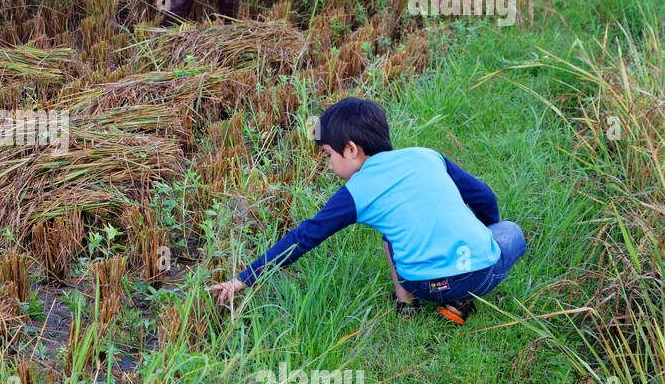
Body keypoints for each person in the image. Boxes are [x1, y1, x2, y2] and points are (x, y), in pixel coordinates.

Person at [208, 98, 527, 325]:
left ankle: (407, 306)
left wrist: (243, 279)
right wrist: (487, 236)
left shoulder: (356, 193)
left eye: (328, 154)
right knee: (510, 232)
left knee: (391, 232)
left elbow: (304, 236)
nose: (328, 163)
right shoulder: (427, 156)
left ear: (351, 149)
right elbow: (484, 196)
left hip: (419, 282)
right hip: (479, 272)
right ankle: (460, 301)